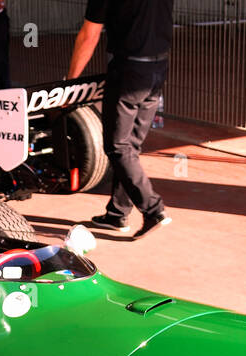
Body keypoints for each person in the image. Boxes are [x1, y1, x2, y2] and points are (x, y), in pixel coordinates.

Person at [67, 0, 173, 239]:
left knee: (116, 146)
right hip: (158, 67)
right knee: (131, 145)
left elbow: (89, 36)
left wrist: (71, 80)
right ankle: (118, 213)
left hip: (129, 70)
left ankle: (153, 209)